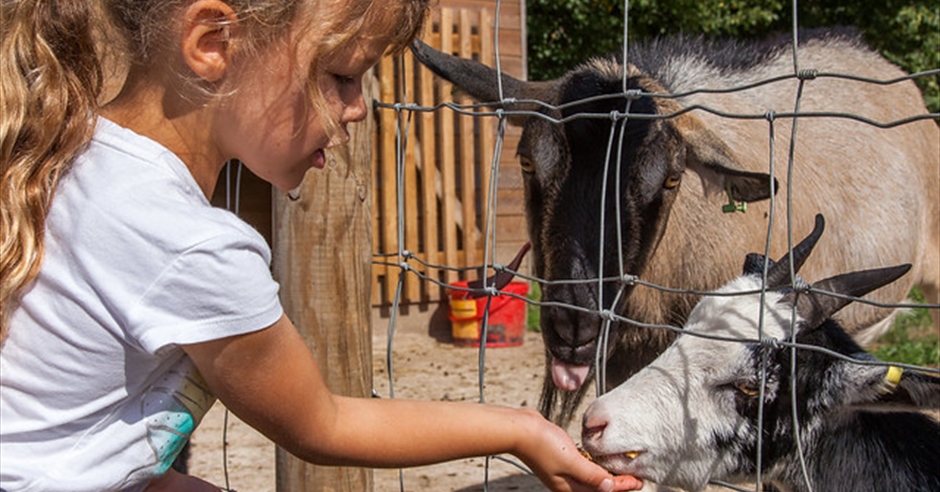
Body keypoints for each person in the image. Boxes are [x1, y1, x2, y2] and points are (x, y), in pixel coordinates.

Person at [0, 1, 644, 491]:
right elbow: (324, 424)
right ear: (213, 43)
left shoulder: (62, 157)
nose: (357, 107)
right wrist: (523, 430)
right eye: (341, 75)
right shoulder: (192, 245)